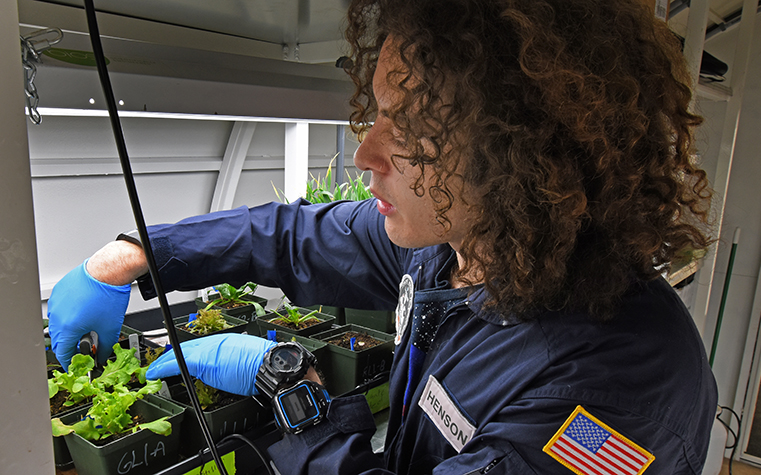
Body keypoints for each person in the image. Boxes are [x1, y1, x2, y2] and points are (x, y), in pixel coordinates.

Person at [47, 0, 719, 473]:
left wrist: (294, 391)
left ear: (525, 152)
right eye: (378, 113)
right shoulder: (452, 244)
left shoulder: (621, 385)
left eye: (412, 128)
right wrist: (130, 257)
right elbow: (291, 235)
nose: (364, 153)